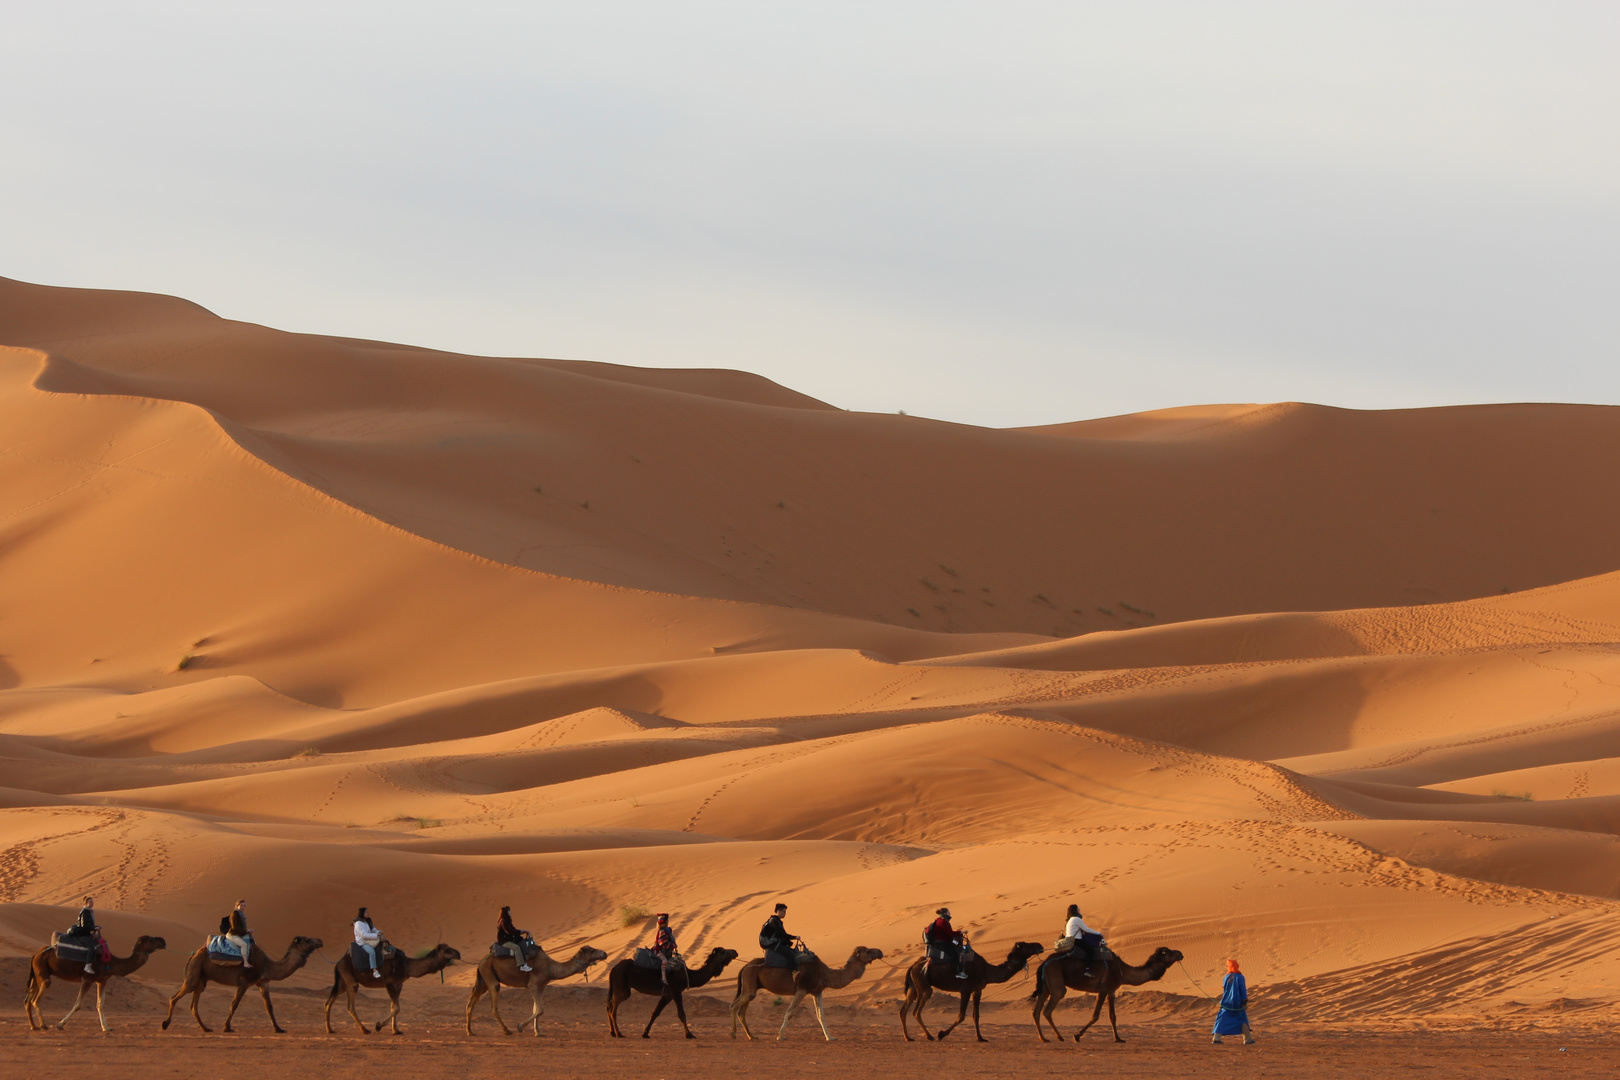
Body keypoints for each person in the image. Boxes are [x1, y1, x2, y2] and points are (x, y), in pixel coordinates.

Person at [1211, 958, 1255, 1044]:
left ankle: (1216, 1038)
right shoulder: (1240, 977)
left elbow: (1224, 987)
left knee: (1222, 1019)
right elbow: (1242, 989)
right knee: (1242, 1018)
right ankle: (1247, 1039)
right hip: (1237, 1002)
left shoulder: (1226, 977)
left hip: (1226, 1001)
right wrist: (1244, 1000)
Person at [1059, 904, 1104, 975]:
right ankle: (1087, 970)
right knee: (1090, 951)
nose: (1080, 911)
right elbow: (1086, 929)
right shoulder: (1076, 919)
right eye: (1078, 909)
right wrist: (1099, 933)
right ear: (1076, 911)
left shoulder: (1069, 920)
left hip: (1069, 940)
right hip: (1076, 940)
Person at [925, 907, 968, 979]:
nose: (950, 913)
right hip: (940, 943)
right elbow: (950, 933)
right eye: (949, 912)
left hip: (942, 941)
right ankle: (958, 972)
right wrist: (961, 932)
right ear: (945, 913)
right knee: (954, 954)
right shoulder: (942, 922)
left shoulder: (939, 920)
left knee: (956, 947)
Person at [69, 895, 102, 975]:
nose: (92, 903)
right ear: (86, 903)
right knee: (91, 948)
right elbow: (84, 926)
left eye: (92, 902)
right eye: (90, 902)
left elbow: (89, 925)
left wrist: (95, 927)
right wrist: (94, 928)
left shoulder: (89, 912)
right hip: (83, 934)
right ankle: (87, 965)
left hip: (86, 933)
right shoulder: (85, 912)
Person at [760, 902, 799, 969]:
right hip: (772, 944)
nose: (785, 913)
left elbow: (781, 935)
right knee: (790, 955)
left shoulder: (776, 921)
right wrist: (794, 937)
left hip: (774, 943)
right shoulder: (774, 921)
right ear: (778, 911)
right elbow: (782, 934)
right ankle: (793, 972)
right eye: (784, 911)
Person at [495, 906, 532, 972]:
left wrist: (522, 931)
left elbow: (513, 929)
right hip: (503, 941)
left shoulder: (507, 920)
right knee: (516, 947)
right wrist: (521, 931)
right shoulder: (503, 921)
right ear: (507, 912)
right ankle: (522, 965)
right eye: (509, 911)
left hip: (507, 939)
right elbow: (509, 931)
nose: (510, 913)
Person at [222, 899, 254, 970]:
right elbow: (235, 927)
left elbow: (240, 927)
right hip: (232, 935)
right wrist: (246, 932)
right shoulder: (234, 914)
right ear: (237, 906)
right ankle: (245, 963)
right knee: (244, 944)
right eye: (241, 905)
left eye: (244, 906)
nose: (243, 907)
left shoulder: (241, 915)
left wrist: (247, 931)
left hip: (238, 934)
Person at [353, 906, 382, 979]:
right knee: (371, 952)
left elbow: (373, 930)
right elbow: (364, 935)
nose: (368, 913)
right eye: (366, 912)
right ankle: (374, 970)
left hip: (369, 940)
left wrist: (379, 932)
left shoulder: (367, 922)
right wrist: (376, 935)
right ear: (362, 913)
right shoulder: (358, 924)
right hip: (363, 943)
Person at [650, 913, 678, 985]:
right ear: (664, 922)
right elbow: (662, 943)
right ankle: (663, 978)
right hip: (658, 951)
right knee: (664, 961)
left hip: (665, 951)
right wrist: (672, 945)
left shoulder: (666, 930)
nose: (668, 922)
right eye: (667, 920)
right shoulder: (662, 931)